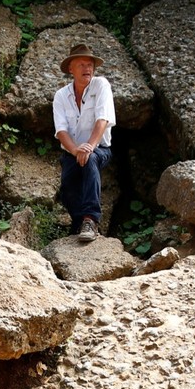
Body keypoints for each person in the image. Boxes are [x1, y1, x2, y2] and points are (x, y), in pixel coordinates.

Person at [53, 44, 116, 242]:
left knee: (90, 162)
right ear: (71, 69)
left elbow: (102, 120)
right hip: (72, 150)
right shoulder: (61, 96)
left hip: (99, 148)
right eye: (81, 64)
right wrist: (75, 150)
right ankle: (79, 223)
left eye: (90, 64)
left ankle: (91, 220)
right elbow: (61, 130)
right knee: (67, 188)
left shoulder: (101, 85)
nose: (87, 68)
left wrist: (89, 146)